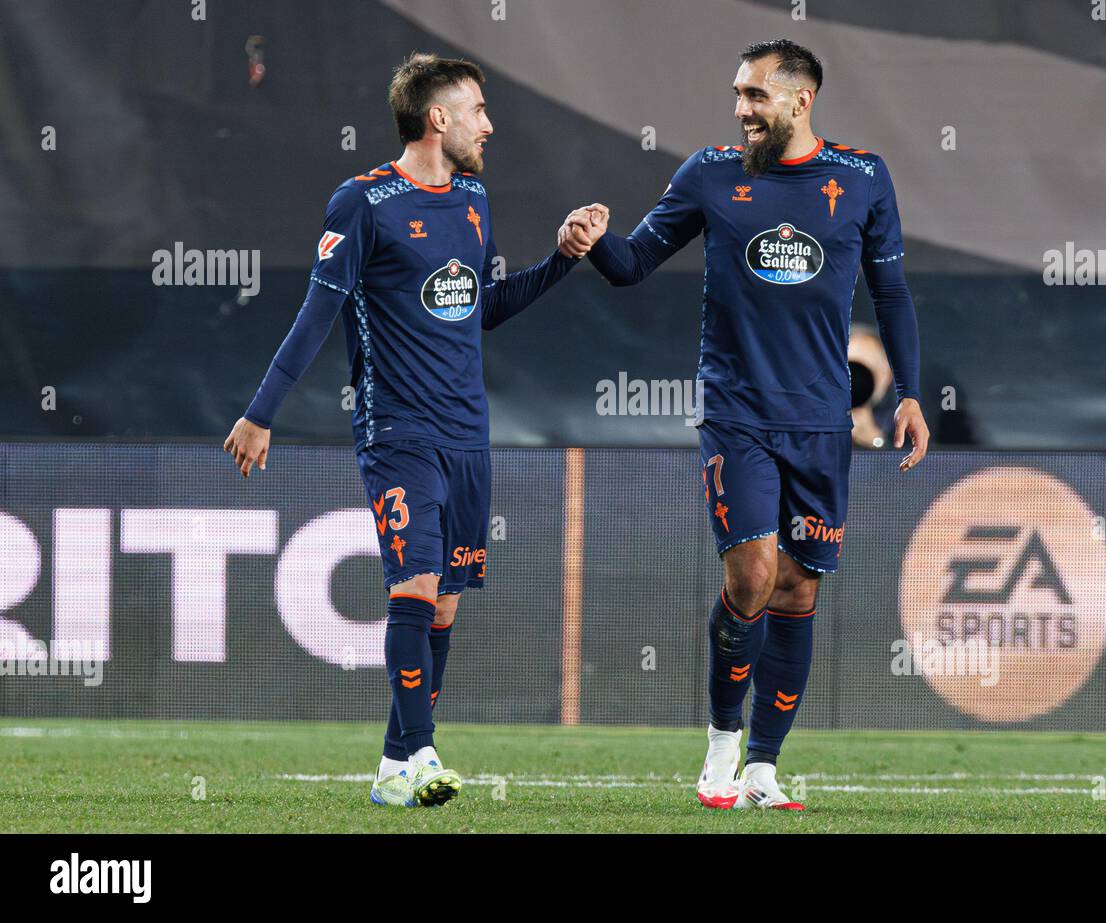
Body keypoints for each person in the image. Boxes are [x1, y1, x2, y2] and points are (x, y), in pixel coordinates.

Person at [559, 40, 927, 810]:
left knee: (796, 589)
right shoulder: (709, 174)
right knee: (753, 574)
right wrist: (591, 245)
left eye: (756, 96)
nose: (740, 109)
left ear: (801, 101)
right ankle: (721, 745)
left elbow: (891, 294)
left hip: (823, 421)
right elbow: (633, 265)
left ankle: (764, 764)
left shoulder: (862, 178)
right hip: (738, 413)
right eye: (737, 93)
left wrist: (912, 394)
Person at [223, 53, 595, 807]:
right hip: (398, 429)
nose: (489, 123)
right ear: (438, 119)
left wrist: (560, 261)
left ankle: (395, 766)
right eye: (479, 109)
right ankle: (423, 752)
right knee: (416, 585)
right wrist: (262, 411)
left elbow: (485, 305)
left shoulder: (473, 201)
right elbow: (316, 313)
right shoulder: (363, 202)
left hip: (467, 433)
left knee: (446, 602)